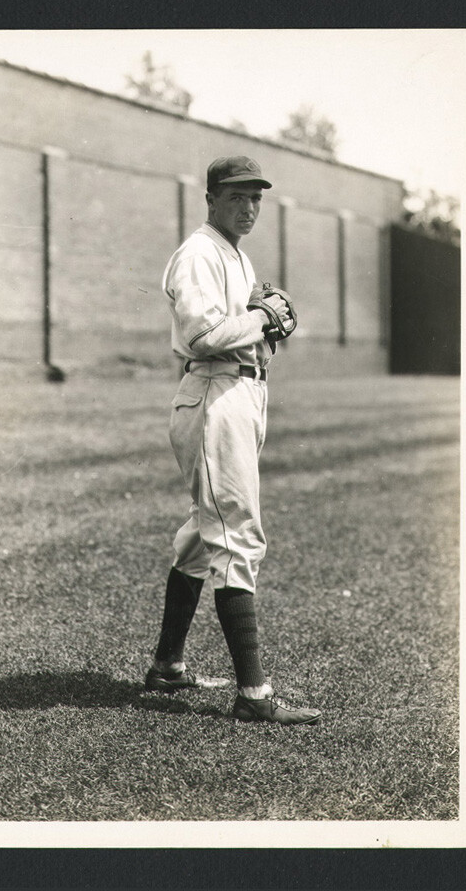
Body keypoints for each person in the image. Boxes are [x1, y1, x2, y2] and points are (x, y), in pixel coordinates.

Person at [144, 156, 321, 726]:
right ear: (212, 198)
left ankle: (168, 666)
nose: (249, 208)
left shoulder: (233, 253)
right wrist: (262, 318)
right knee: (236, 533)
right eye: (238, 197)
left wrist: (260, 318)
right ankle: (254, 693)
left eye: (256, 198)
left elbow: (238, 327)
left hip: (238, 395)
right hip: (214, 397)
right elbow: (200, 336)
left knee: (204, 533)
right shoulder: (199, 252)